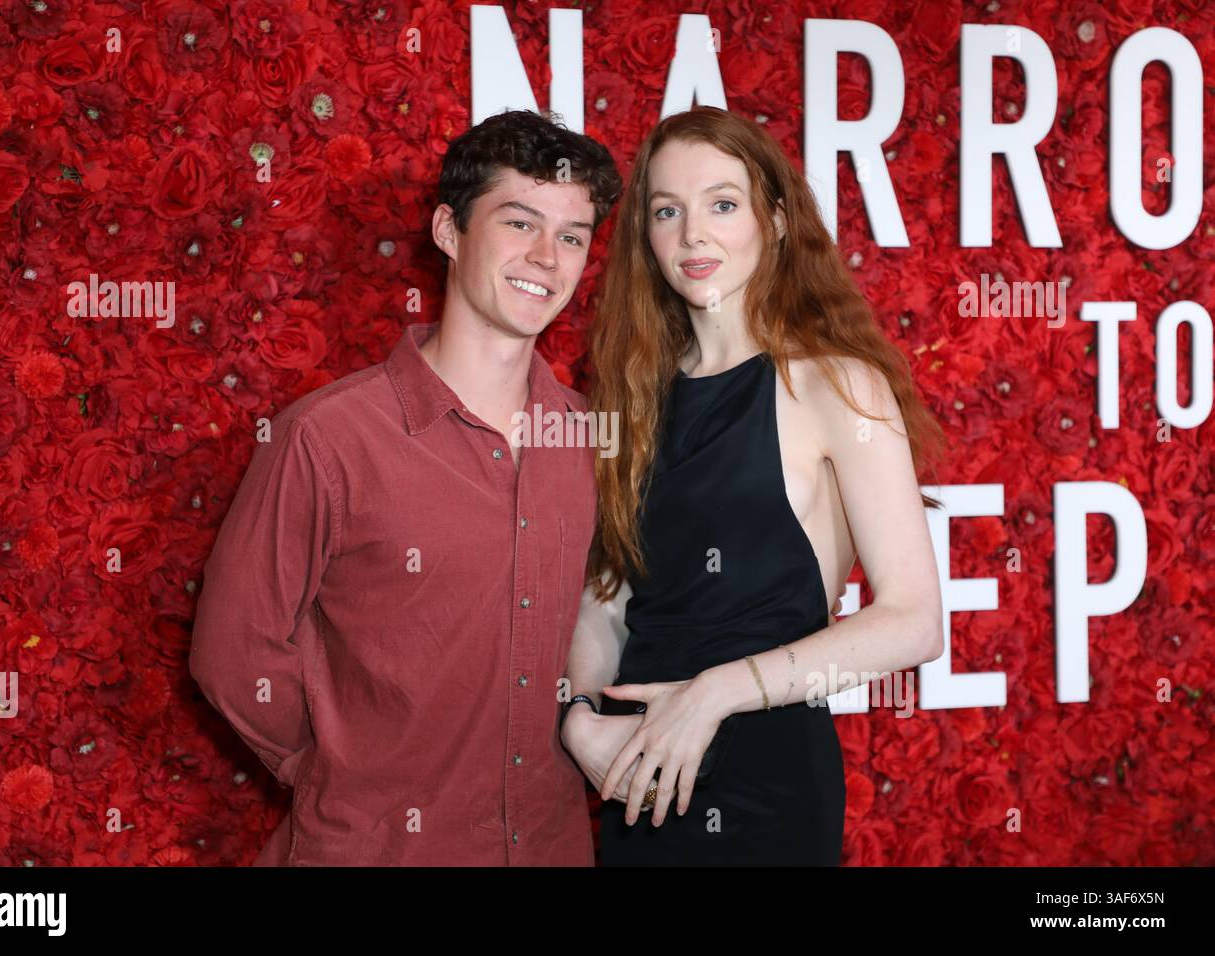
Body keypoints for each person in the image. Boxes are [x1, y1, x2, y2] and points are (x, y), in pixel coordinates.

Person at [189, 109, 622, 865]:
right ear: (450, 232)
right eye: (519, 223)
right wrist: (341, 776)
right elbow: (233, 652)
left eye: (572, 236)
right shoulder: (326, 437)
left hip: (551, 846)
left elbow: (604, 615)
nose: (547, 258)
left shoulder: (591, 439)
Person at [559, 106, 948, 865]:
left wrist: (712, 693)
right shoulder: (634, 398)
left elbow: (915, 621)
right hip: (639, 775)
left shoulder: (836, 384)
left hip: (764, 780)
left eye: (722, 204)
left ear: (774, 219)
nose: (692, 234)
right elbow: (606, 605)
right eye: (667, 211)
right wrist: (577, 721)